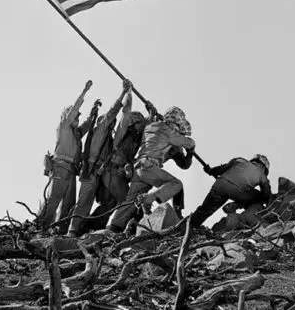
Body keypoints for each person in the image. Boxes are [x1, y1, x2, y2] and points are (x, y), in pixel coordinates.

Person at [105, 106, 196, 233]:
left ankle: (114, 227)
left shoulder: (151, 127)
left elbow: (184, 164)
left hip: (138, 168)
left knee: (130, 202)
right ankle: (147, 199)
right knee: (176, 184)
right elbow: (190, 143)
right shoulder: (167, 131)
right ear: (174, 123)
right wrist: (191, 150)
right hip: (149, 166)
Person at [67, 79, 133, 236]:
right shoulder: (100, 129)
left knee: (114, 198)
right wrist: (124, 92)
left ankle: (92, 225)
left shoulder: (108, 138)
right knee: (84, 202)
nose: (111, 122)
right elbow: (112, 113)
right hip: (91, 170)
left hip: (100, 172)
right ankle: (73, 230)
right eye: (107, 120)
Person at [38, 80, 94, 230]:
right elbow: (74, 110)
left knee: (68, 203)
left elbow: (86, 127)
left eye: (78, 118)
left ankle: (59, 230)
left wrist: (92, 115)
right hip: (60, 167)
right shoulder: (64, 126)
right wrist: (84, 92)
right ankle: (41, 227)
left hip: (71, 169)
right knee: (53, 200)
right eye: (75, 117)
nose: (77, 119)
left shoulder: (75, 133)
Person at [189, 154, 272, 228]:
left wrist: (210, 170)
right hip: (239, 192)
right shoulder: (262, 175)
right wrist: (269, 205)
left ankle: (189, 226)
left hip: (220, 185)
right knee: (257, 198)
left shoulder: (239, 160)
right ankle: (236, 205)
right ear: (263, 167)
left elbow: (221, 169)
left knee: (205, 210)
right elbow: (266, 194)